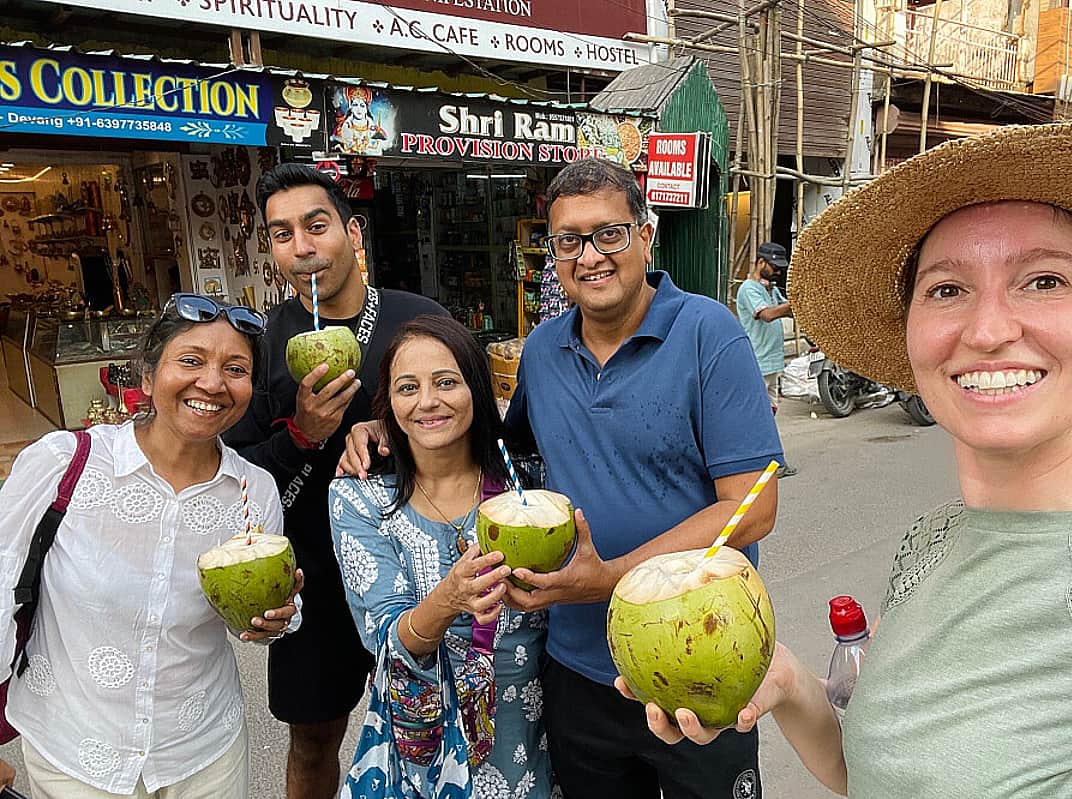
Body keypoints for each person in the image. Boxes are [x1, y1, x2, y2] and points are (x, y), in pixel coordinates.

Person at [619, 122, 1072, 798]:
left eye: (1044, 280)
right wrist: (784, 680)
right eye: (947, 289)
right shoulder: (931, 540)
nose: (987, 330)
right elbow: (873, 774)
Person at [339, 158, 784, 798]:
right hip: (575, 669)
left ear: (645, 235)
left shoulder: (708, 333)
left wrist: (612, 575)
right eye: (569, 241)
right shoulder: (544, 349)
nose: (590, 256)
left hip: (697, 654)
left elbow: (753, 506)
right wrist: (385, 428)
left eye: (609, 234)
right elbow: (499, 448)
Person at [0, 294, 302, 798]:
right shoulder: (63, 464)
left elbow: (255, 619)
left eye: (235, 369)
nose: (212, 383)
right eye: (191, 360)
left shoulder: (254, 492)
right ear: (147, 375)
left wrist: (277, 618)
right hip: (76, 754)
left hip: (202, 751)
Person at [224, 163, 447, 799]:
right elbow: (238, 476)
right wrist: (300, 434)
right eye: (282, 233)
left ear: (352, 233)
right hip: (313, 578)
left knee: (436, 730)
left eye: (316, 226)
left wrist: (394, 430)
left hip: (417, 570)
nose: (302, 247)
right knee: (314, 739)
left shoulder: (419, 322)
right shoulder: (263, 343)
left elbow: (471, 431)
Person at [329, 315, 555, 798]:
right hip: (424, 753)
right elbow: (386, 641)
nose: (427, 401)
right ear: (389, 402)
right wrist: (448, 599)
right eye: (407, 388)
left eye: (446, 382)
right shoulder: (359, 500)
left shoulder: (531, 490)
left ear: (475, 388)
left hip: (531, 745)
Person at [737, 242, 798, 477]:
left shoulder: (771, 289)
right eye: (774, 267)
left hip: (773, 363)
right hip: (758, 363)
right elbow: (768, 314)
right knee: (758, 416)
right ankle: (758, 462)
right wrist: (792, 305)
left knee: (769, 415)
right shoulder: (749, 289)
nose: (778, 272)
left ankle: (774, 460)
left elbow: (784, 308)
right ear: (761, 262)